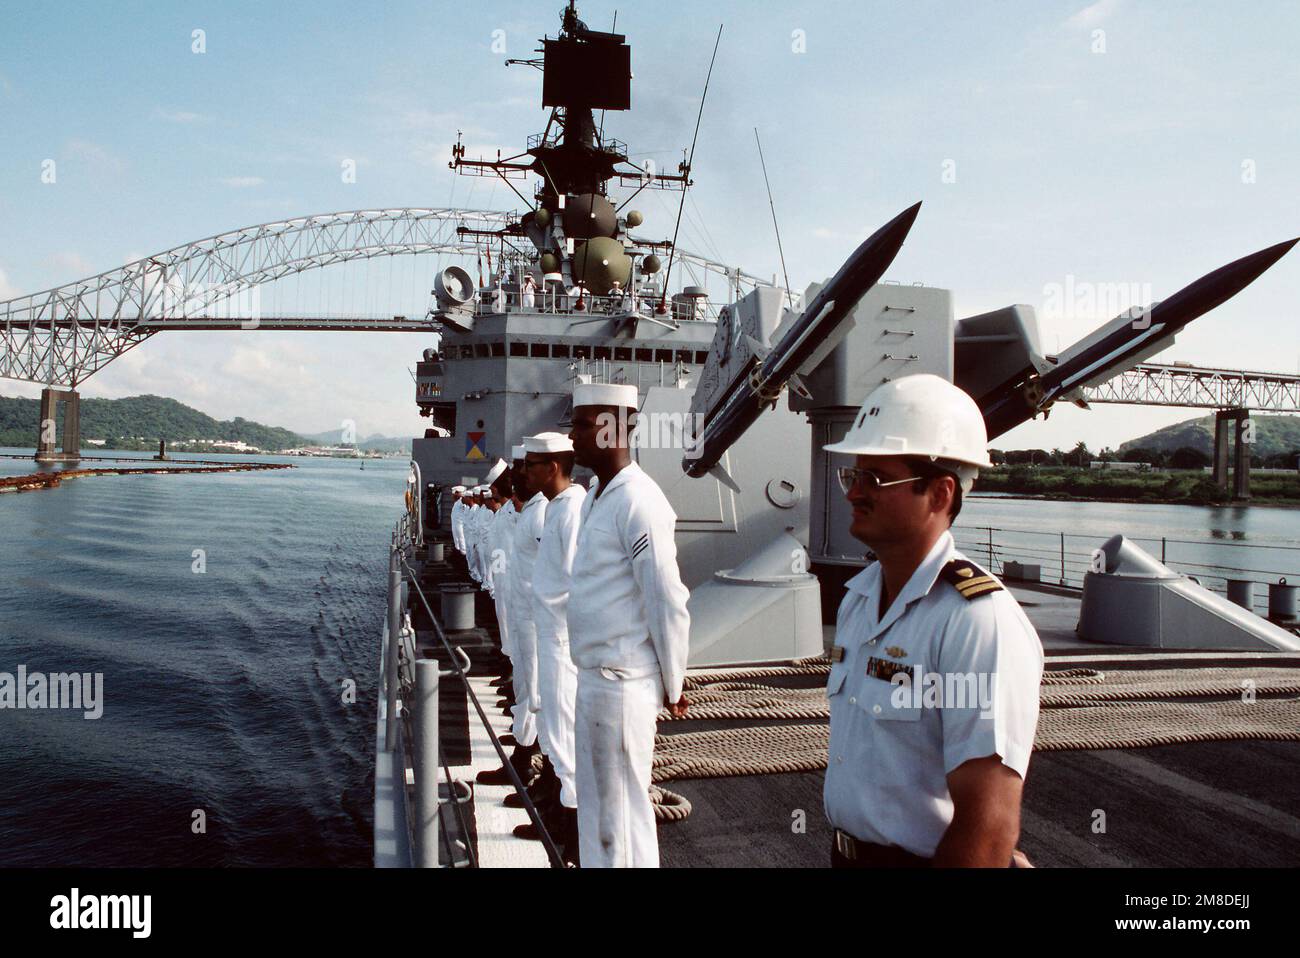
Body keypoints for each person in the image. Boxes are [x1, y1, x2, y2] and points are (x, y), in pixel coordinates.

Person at [821, 373, 1043, 868]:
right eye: (852, 476)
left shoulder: (976, 620)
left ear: (940, 494)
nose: (854, 493)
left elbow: (988, 827)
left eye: (875, 479)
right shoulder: (859, 600)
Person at [567, 382, 690, 868]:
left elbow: (665, 596)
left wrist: (674, 682)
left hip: (620, 683)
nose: (573, 435)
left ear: (611, 428)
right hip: (594, 679)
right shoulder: (600, 494)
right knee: (604, 814)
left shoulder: (640, 500)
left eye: (581, 424)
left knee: (616, 820)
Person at [515, 431, 586, 860]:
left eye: (530, 465)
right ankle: (561, 817)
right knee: (553, 732)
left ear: (552, 468)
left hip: (561, 639)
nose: (524, 472)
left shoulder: (571, 510)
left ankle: (574, 841)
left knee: (565, 739)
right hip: (548, 634)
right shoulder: (559, 507)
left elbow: (578, 581)